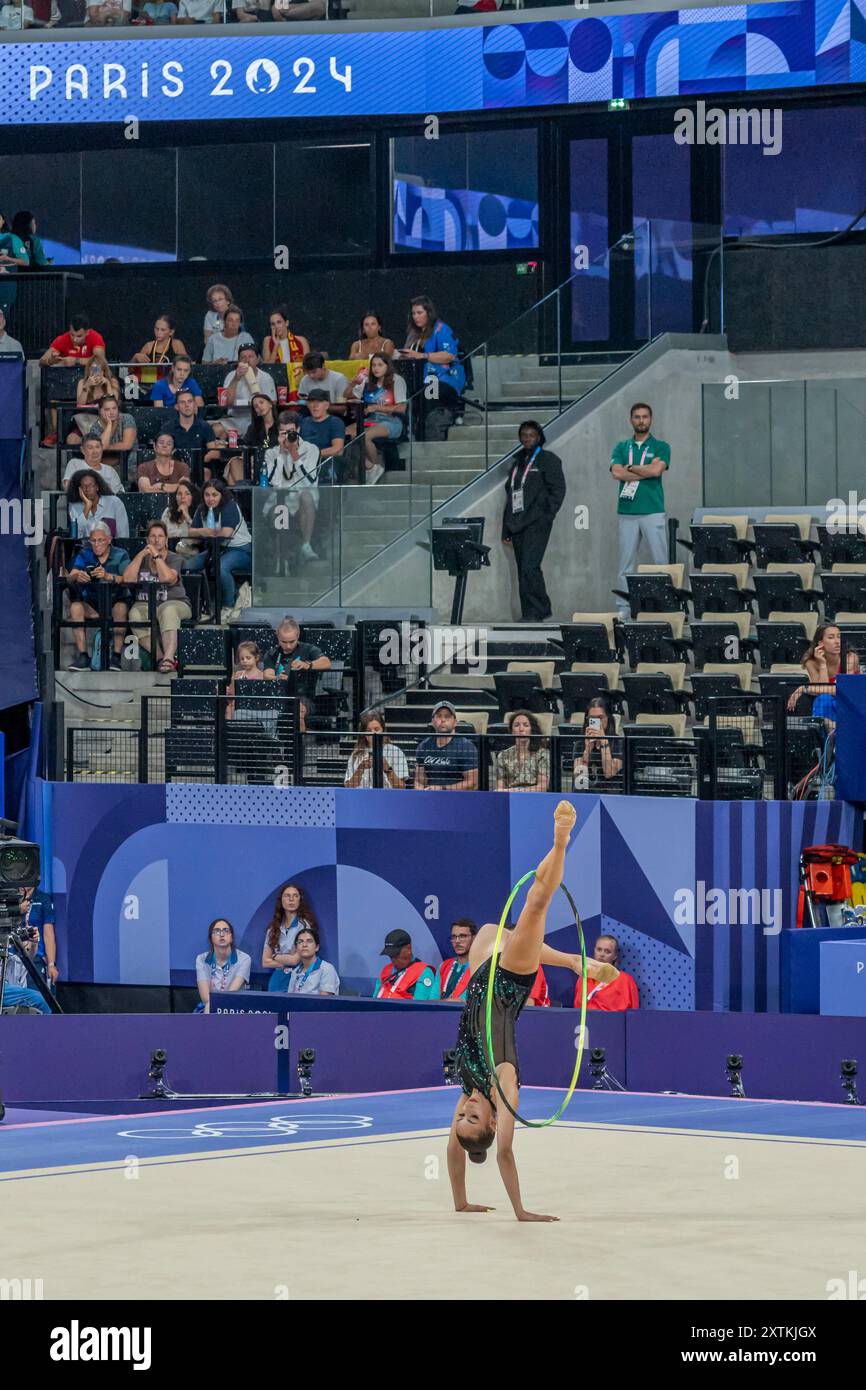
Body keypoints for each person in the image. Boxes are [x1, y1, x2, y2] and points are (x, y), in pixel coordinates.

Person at [448, 801, 619, 1220]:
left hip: (480, 971)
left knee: (495, 930)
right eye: (474, 1115)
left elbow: (454, 1150)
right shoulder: (503, 1084)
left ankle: (577, 963)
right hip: (507, 983)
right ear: (490, 1121)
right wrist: (521, 1211)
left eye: (460, 1115)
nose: (466, 1107)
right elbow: (504, 1151)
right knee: (534, 908)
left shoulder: (468, 1087)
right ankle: (561, 841)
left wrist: (461, 1202)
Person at [610, 403, 670, 618]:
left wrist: (631, 468)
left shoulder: (661, 446)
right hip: (627, 511)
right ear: (631, 420)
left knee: (661, 562)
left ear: (651, 419)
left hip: (653, 510)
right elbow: (617, 474)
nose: (641, 421)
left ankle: (665, 605)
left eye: (645, 417)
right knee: (625, 564)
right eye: (637, 417)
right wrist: (644, 471)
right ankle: (624, 608)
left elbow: (656, 471)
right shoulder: (621, 447)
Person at [501, 420, 565, 622]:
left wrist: (547, 515)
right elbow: (511, 495)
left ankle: (539, 610)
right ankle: (529, 612)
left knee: (530, 567)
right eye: (524, 435)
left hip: (537, 522)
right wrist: (506, 529)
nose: (527, 438)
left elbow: (558, 490)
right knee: (522, 570)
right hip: (517, 523)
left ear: (539, 437)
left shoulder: (548, 460)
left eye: (532, 435)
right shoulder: (517, 462)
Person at [122, 519, 192, 672]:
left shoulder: (175, 558)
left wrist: (157, 557)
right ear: (147, 540)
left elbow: (168, 578)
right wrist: (141, 555)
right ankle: (160, 658)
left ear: (166, 539)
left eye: (160, 536)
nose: (156, 539)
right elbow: (127, 579)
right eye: (152, 536)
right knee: (134, 613)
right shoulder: (141, 558)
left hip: (176, 602)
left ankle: (169, 657)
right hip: (145, 603)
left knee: (168, 611)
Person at [64, 520, 130, 670]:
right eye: (93, 540)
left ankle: (116, 657)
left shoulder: (121, 554)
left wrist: (107, 576)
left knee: (120, 608)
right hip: (93, 604)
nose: (96, 544)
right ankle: (83, 656)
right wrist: (77, 576)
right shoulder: (85, 553)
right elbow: (70, 577)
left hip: (115, 601)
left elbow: (126, 578)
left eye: (100, 540)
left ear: (109, 540)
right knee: (75, 607)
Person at [184, 479, 252, 621]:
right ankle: (201, 606)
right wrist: (207, 531)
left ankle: (228, 605)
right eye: (207, 495)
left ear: (221, 495)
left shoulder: (230, 506)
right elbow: (191, 532)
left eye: (214, 495)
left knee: (221, 567)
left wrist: (202, 531)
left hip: (241, 550)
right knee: (187, 567)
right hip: (216, 549)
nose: (210, 499)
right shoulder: (201, 509)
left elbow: (226, 533)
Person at [260, 412, 322, 562]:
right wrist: (281, 454)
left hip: (303, 496)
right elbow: (273, 482)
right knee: (280, 510)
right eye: (283, 432)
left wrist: (294, 455)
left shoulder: (311, 449)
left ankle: (306, 546)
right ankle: (281, 555)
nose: (287, 436)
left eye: (291, 432)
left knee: (306, 496)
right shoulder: (271, 453)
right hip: (280, 498)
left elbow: (310, 480)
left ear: (298, 430)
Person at [40, 313, 107, 445]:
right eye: (72, 335)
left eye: (79, 336)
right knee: (52, 391)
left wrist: (77, 360)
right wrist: (51, 360)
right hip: (65, 383)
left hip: (88, 381)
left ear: (87, 332)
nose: (75, 339)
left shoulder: (96, 337)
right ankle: (55, 432)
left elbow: (101, 360)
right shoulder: (62, 339)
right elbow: (41, 361)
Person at [399, 295, 465, 429]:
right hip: (418, 378)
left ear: (429, 313)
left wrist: (422, 355)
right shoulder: (413, 333)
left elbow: (449, 356)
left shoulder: (441, 329)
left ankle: (428, 432)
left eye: (419, 313)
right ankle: (409, 431)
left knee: (429, 392)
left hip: (442, 377)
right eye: (413, 313)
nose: (415, 317)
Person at [262, 616, 331, 732]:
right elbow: (267, 674)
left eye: (291, 642)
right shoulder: (272, 653)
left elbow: (326, 662)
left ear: (297, 636)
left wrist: (308, 665)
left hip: (303, 696)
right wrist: (276, 677)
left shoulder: (308, 649)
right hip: (278, 696)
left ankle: (299, 746)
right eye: (284, 642)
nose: (288, 646)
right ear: (278, 637)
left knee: (299, 709)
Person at [350, 351, 406, 485]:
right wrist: (353, 384)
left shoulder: (396, 380)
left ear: (388, 366)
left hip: (391, 421)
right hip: (371, 420)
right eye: (373, 365)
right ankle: (370, 466)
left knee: (363, 436)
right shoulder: (368, 382)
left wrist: (376, 408)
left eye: (380, 365)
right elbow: (350, 395)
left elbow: (402, 408)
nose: (376, 368)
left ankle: (374, 468)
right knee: (346, 433)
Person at [787, 623, 861, 714]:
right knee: (823, 699)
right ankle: (827, 726)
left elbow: (843, 690)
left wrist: (803, 688)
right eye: (831, 637)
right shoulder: (811, 662)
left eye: (839, 637)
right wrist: (822, 664)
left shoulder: (850, 657)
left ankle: (828, 725)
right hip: (830, 703)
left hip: (852, 702)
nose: (837, 641)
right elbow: (821, 691)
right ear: (821, 643)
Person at [262, 882, 317, 992]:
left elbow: (295, 960)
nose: (291, 899)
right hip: (277, 980)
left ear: (299, 900)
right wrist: (286, 961)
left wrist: (274, 956)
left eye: (295, 896)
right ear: (281, 901)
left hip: (298, 979)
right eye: (287, 896)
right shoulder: (273, 928)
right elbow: (264, 962)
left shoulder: (305, 926)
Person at [414, 701, 478, 790]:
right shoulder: (424, 746)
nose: (443, 720)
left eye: (447, 716)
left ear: (455, 722)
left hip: (458, 797)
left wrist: (443, 789)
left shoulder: (466, 747)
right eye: (439, 716)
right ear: (432, 721)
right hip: (430, 797)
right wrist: (421, 794)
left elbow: (473, 783)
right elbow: (419, 781)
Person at [195, 920, 252, 1014]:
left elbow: (230, 994)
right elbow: (205, 997)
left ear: (231, 937)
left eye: (226, 930)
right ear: (211, 938)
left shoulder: (244, 959)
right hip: (209, 1006)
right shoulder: (201, 959)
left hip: (234, 1008)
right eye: (217, 931)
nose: (222, 934)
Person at [344, 708, 408, 788]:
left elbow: (401, 787)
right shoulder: (356, 755)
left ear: (383, 730)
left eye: (377, 729)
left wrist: (387, 768)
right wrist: (360, 769)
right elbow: (348, 787)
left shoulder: (396, 752)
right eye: (369, 731)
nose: (373, 733)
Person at [219, 346, 276, 435]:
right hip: (235, 418)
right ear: (238, 361)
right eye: (243, 357)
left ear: (257, 360)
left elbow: (273, 402)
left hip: (258, 419)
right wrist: (236, 379)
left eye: (250, 357)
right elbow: (227, 402)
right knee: (217, 428)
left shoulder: (266, 377)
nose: (247, 360)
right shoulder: (231, 376)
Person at [163, 387, 221, 475]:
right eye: (182, 402)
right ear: (176, 407)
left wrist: (204, 458)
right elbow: (163, 452)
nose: (187, 405)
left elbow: (214, 452)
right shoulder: (168, 428)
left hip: (200, 468)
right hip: (175, 468)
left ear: (194, 404)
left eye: (190, 401)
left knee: (205, 472)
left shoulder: (204, 426)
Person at [573, 934, 639, 1011]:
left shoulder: (626, 980)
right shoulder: (583, 978)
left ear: (615, 956)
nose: (602, 954)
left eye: (607, 951)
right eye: (599, 949)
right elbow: (576, 1010)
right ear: (594, 950)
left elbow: (634, 1015)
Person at [573, 694, 623, 790]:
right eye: (592, 718)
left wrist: (604, 742)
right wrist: (587, 751)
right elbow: (580, 782)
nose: (597, 722)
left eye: (600, 718)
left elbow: (609, 773)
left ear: (608, 718)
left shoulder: (618, 742)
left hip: (610, 795)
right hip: (586, 795)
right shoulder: (580, 744)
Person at [374, 929, 440, 1000]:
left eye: (396, 954)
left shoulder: (424, 972)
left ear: (409, 949)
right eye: (390, 955)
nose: (393, 959)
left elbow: (420, 1006)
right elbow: (374, 999)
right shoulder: (386, 970)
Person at [68, 358, 121, 444]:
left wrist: (107, 385)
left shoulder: (112, 382)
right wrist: (87, 387)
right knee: (71, 439)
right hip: (85, 421)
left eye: (98, 370)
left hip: (104, 421)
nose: (95, 373)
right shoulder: (82, 383)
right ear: (88, 371)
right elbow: (80, 404)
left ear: (103, 371)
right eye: (92, 369)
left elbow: (113, 404)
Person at [495, 710, 550, 792]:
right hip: (511, 797)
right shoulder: (503, 755)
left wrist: (518, 791)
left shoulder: (542, 754)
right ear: (512, 731)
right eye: (516, 725)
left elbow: (543, 787)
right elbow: (500, 787)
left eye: (526, 725)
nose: (521, 729)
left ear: (532, 729)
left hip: (534, 797)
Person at [67, 469, 129, 540]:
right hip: (85, 548)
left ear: (97, 487)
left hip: (111, 547)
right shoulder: (74, 507)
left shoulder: (114, 502)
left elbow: (123, 534)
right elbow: (76, 536)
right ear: (79, 489)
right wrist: (87, 507)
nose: (88, 489)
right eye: (84, 486)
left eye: (91, 485)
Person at [299, 389, 345, 485]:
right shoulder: (304, 422)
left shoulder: (335, 422)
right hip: (304, 465)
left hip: (327, 464)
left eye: (319, 402)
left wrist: (313, 455)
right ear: (307, 405)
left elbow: (338, 449)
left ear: (327, 405)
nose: (315, 406)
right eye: (311, 402)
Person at [86, 395, 138, 470]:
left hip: (130, 464)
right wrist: (109, 425)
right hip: (107, 467)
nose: (111, 412)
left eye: (114, 408)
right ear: (100, 411)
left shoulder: (127, 418)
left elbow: (127, 445)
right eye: (107, 409)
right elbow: (102, 447)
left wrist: (108, 447)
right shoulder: (95, 428)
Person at [285, 926, 340, 996]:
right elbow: (290, 999)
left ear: (316, 947)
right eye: (300, 942)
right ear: (296, 948)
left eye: (309, 941)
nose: (304, 945)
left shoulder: (326, 969)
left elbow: (325, 1002)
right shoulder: (295, 972)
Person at [261, 305, 309, 378]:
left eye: (279, 322)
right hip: (277, 381)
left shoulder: (301, 341)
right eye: (273, 324)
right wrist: (276, 346)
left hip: (297, 380)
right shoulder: (267, 341)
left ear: (286, 323)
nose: (276, 326)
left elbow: (308, 367)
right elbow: (267, 369)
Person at [439, 918, 478, 1000]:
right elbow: (432, 1000)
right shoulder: (443, 966)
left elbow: (465, 1001)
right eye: (454, 937)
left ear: (474, 938)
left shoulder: (480, 967)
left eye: (463, 936)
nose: (457, 941)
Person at [162, 480, 202, 559]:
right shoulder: (168, 512)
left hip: (191, 555)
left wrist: (187, 516)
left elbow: (199, 537)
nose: (182, 497)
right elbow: (161, 533)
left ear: (193, 497)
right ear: (175, 497)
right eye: (179, 494)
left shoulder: (199, 513)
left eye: (187, 494)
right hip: (169, 554)